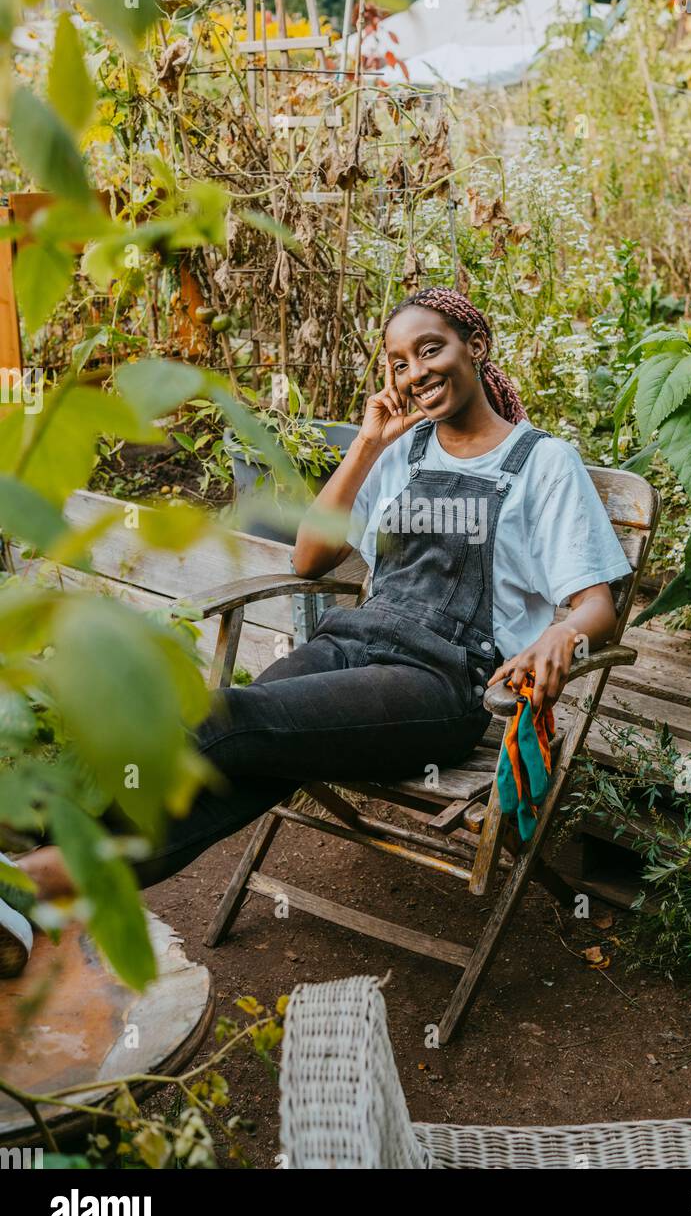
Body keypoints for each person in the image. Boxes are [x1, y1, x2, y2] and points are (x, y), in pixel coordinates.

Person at [0, 287, 630, 975]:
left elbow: (595, 605)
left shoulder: (543, 463)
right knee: (240, 771)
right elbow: (309, 557)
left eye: (430, 349)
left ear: (475, 347)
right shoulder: (404, 450)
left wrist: (557, 637)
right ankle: (34, 887)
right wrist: (366, 444)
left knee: (222, 722)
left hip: (441, 683)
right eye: (397, 362)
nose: (415, 372)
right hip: (349, 647)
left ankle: (37, 842)